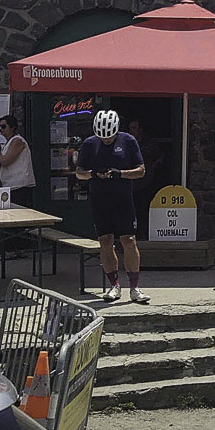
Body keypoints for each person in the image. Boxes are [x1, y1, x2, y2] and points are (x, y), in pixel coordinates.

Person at [77, 109, 150, 304]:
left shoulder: (128, 141)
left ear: (116, 131)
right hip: (100, 199)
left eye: (109, 137)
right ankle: (114, 285)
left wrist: (119, 173)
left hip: (123, 198)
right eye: (102, 137)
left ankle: (134, 287)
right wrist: (93, 174)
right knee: (106, 241)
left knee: (129, 239)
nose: (106, 140)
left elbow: (141, 171)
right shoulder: (89, 144)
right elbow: (79, 173)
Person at [0, 112, 36, 208]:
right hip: (10, 185)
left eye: (3, 126)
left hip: (19, 186)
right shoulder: (9, 142)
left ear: (12, 128)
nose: (0, 129)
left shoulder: (17, 140)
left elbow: (5, 161)